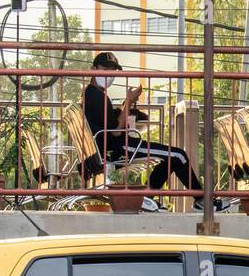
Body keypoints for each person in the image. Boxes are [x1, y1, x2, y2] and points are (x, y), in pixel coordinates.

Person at [82, 52, 226, 211]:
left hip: (116, 145)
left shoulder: (94, 94)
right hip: (118, 148)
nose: (109, 74)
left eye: (113, 71)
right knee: (178, 156)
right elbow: (115, 132)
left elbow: (111, 123)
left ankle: (146, 197)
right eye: (105, 69)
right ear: (93, 69)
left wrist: (127, 104)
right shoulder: (95, 96)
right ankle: (202, 200)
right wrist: (128, 101)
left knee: (172, 157)